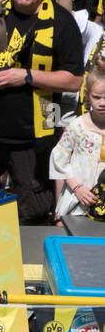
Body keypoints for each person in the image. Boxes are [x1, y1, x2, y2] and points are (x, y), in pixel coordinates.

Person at [0, 0, 84, 223]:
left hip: (32, 138)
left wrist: (26, 76)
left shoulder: (61, 21)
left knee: (30, 212)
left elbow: (74, 80)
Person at [50, 68, 105, 221]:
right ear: (87, 95)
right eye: (97, 97)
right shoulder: (77, 126)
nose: (102, 103)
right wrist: (77, 188)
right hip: (76, 203)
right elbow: (59, 160)